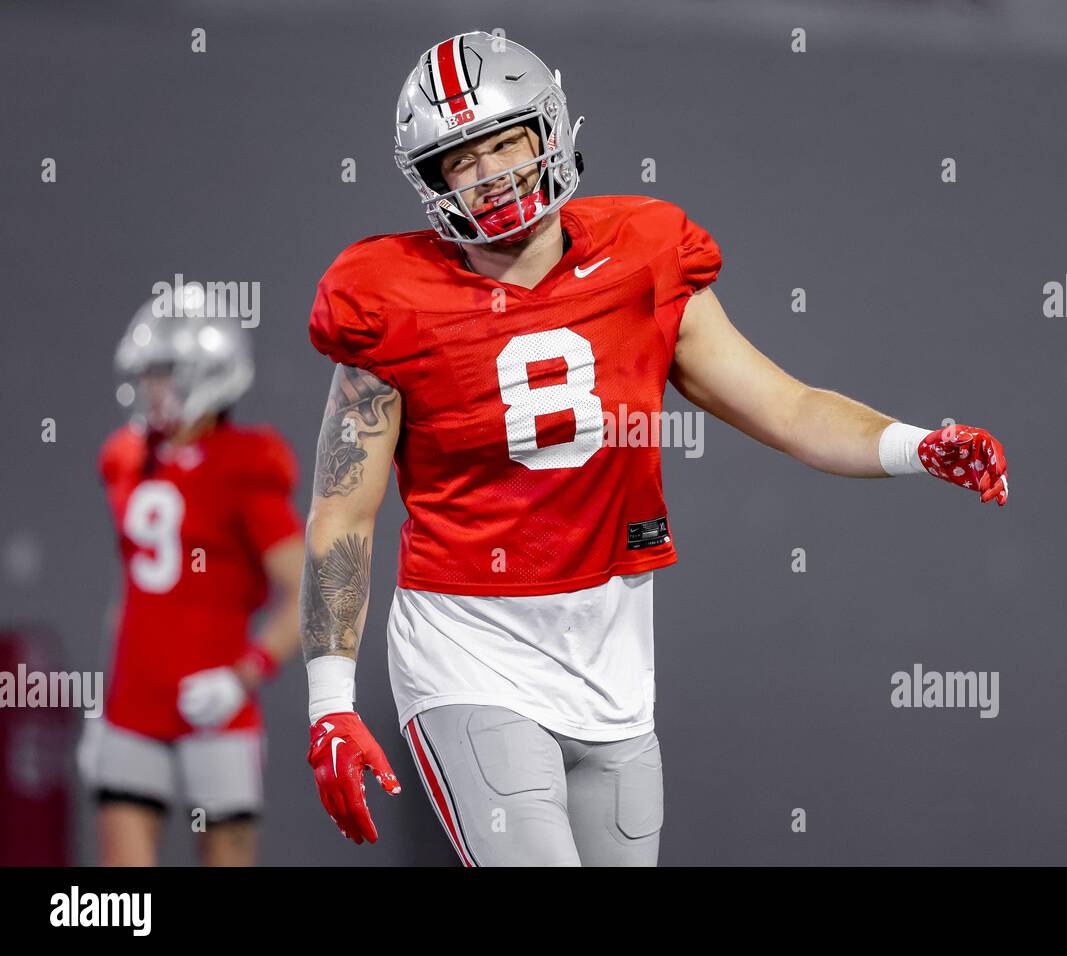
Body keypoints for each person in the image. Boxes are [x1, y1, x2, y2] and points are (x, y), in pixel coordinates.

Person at [302, 32, 1009, 866]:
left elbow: (787, 407)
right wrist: (329, 703)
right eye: (460, 158)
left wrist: (912, 445)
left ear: (550, 132)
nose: (488, 173)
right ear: (431, 178)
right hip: (469, 653)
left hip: (614, 662)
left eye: (504, 143)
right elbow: (343, 510)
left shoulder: (642, 252)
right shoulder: (388, 295)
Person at [85, 284, 304, 865]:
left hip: (216, 704)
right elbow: (130, 590)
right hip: (134, 703)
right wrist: (106, 702)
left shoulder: (244, 464)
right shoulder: (128, 458)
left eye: (165, 372)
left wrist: (244, 676)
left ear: (209, 372)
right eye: (150, 372)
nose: (153, 387)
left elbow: (310, 592)